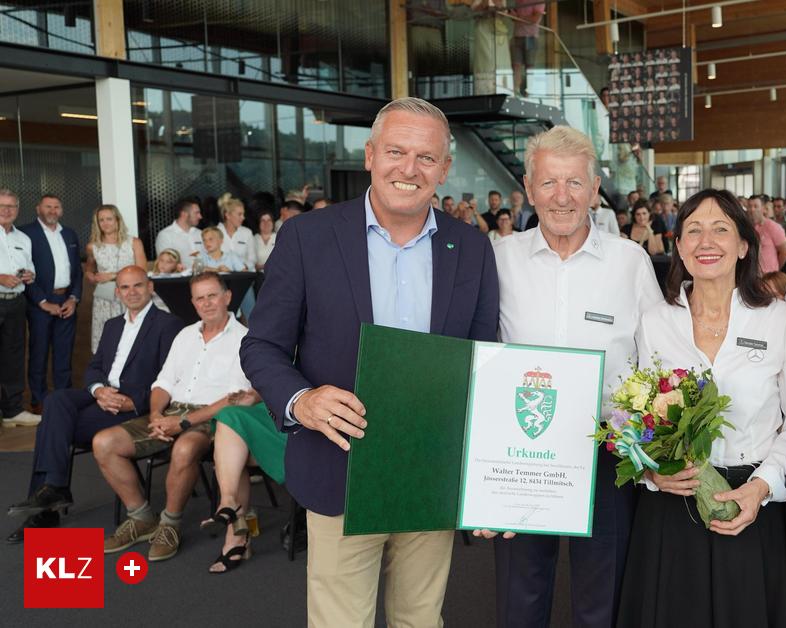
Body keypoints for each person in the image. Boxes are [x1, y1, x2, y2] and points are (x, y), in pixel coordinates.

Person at [240, 97, 499, 627]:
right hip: (340, 468)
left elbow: (484, 364)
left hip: (431, 472)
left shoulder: (472, 248)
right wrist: (301, 400)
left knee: (420, 620)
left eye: (426, 157)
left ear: (445, 168)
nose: (410, 168)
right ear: (370, 155)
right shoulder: (308, 237)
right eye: (396, 151)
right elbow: (260, 346)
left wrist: (493, 478)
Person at [486, 125, 662, 628]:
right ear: (528, 187)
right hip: (520, 453)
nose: (561, 196)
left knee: (602, 599)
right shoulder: (499, 259)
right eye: (548, 182)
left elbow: (657, 358)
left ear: (594, 188)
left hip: (608, 451)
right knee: (520, 596)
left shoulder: (630, 263)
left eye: (574, 183)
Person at [618, 189, 786, 626]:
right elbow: (632, 417)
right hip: (673, 505)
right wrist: (650, 472)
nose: (706, 242)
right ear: (679, 246)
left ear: (743, 246)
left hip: (751, 505)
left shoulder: (778, 320)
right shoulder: (655, 322)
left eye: (721, 229)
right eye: (694, 231)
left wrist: (762, 487)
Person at [5, 266, 183, 542]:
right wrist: (98, 390)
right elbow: (95, 367)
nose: (132, 292)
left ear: (150, 288)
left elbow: (171, 378)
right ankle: (53, 492)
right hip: (103, 395)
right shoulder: (113, 325)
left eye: (138, 285)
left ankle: (48, 503)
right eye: (125, 287)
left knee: (51, 427)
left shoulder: (168, 324)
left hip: (132, 404)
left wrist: (134, 403)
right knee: (56, 400)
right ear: (117, 292)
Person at [92, 272, 253, 561]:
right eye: (200, 298)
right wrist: (156, 414)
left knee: (184, 448)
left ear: (227, 297)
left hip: (213, 418)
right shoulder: (185, 335)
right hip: (170, 411)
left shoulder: (245, 339)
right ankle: (141, 517)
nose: (206, 303)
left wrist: (184, 422)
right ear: (193, 303)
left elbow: (234, 399)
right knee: (104, 443)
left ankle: (170, 524)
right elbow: (163, 383)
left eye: (212, 296)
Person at [204, 392, 285, 573]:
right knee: (228, 416)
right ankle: (228, 502)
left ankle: (235, 532)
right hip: (273, 406)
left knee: (232, 449)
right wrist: (256, 395)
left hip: (307, 414)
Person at [22, 194, 83, 416]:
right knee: (39, 353)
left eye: (56, 207)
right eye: (48, 206)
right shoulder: (25, 234)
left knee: (64, 353)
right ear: (38, 208)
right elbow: (23, 272)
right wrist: (42, 302)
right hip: (39, 302)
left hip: (66, 300)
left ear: (61, 210)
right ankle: (38, 400)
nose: (52, 210)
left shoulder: (69, 234)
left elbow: (77, 271)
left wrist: (73, 298)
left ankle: (63, 398)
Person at [84, 204, 147, 353]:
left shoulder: (134, 242)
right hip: (104, 300)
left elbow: (142, 272)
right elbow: (89, 270)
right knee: (106, 341)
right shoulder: (92, 246)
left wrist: (112, 276)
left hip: (130, 296)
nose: (105, 223)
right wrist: (92, 277)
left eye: (109, 219)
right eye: (101, 220)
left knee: (132, 340)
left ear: (117, 220)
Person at [0, 188, 39, 427]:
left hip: (16, 302)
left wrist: (29, 275)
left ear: (17, 209)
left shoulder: (23, 238)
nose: (6, 210)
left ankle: (12, 411)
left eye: (11, 206)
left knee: (13, 358)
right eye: (2, 205)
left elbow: (30, 268)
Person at [747, 194, 786, 274]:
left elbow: (785, 252)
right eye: (749, 206)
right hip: (751, 274)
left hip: (768, 275)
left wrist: (775, 272)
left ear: (763, 208)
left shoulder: (773, 227)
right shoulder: (746, 227)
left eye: (756, 206)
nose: (752, 209)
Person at [217, 194, 253, 266]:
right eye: (239, 214)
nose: (243, 217)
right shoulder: (214, 232)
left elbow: (253, 259)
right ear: (227, 215)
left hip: (244, 272)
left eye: (243, 214)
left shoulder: (247, 233)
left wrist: (243, 267)